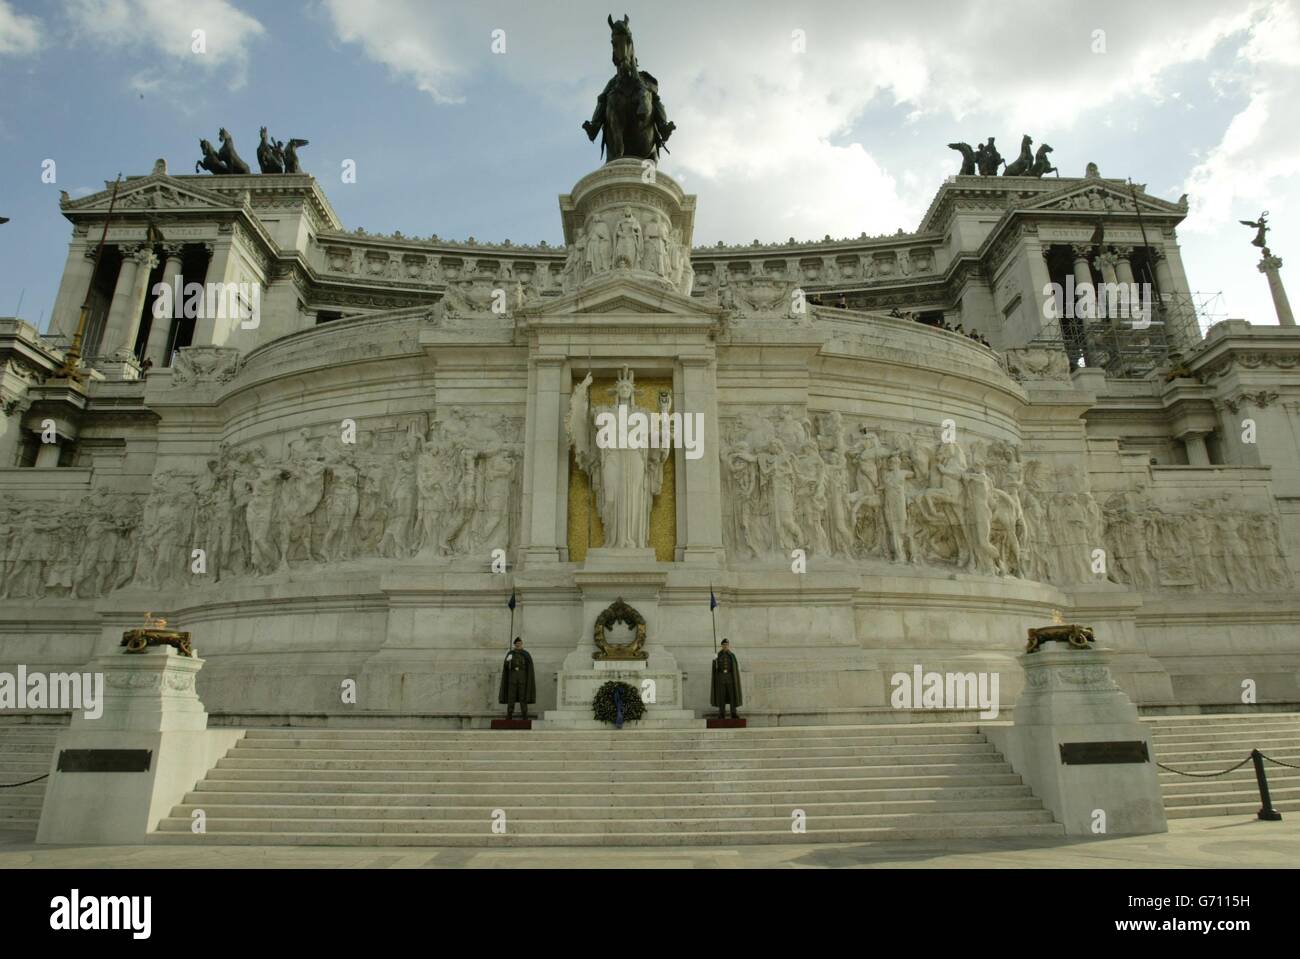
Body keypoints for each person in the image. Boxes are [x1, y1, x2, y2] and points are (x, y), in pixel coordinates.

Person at [499, 637, 536, 720]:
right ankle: (509, 714)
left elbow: (529, 667)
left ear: (521, 644)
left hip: (523, 679)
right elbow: (506, 667)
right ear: (514, 644)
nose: (518, 645)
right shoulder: (511, 653)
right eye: (517, 643)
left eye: (520, 643)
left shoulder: (526, 654)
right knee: (511, 697)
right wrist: (507, 661)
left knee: (523, 697)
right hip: (512, 678)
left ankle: (524, 715)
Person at [711, 638, 743, 720]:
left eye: (727, 645)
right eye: (724, 645)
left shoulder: (732, 655)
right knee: (722, 697)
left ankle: (733, 713)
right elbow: (715, 669)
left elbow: (734, 668)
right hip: (721, 679)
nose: (725, 646)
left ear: (728, 646)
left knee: (732, 697)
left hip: (730, 679)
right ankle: (721, 713)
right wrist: (714, 661)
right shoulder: (718, 655)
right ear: (721, 646)